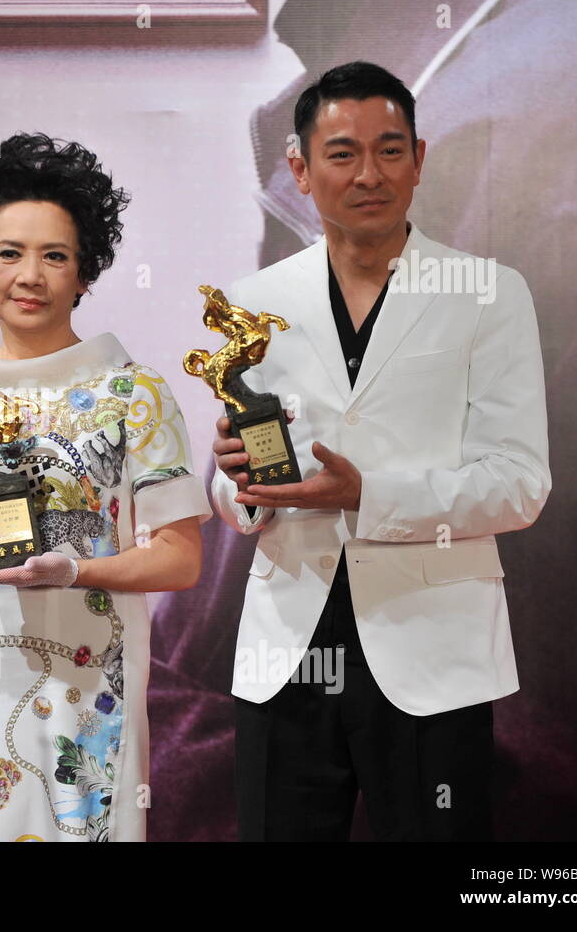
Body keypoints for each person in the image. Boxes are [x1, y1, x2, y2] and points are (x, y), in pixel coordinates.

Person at [207, 62, 551, 840]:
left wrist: (368, 494)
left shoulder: (490, 293)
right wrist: (237, 484)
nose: (369, 173)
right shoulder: (254, 304)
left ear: (421, 159)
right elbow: (231, 495)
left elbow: (519, 483)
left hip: (434, 650)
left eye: (390, 150)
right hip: (288, 649)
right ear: (298, 168)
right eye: (341, 153)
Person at [0, 133, 210, 842]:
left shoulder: (133, 394)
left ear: (85, 274)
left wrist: (76, 570)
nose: (29, 275)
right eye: (9, 253)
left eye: (55, 256)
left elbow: (182, 558)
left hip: (94, 693)